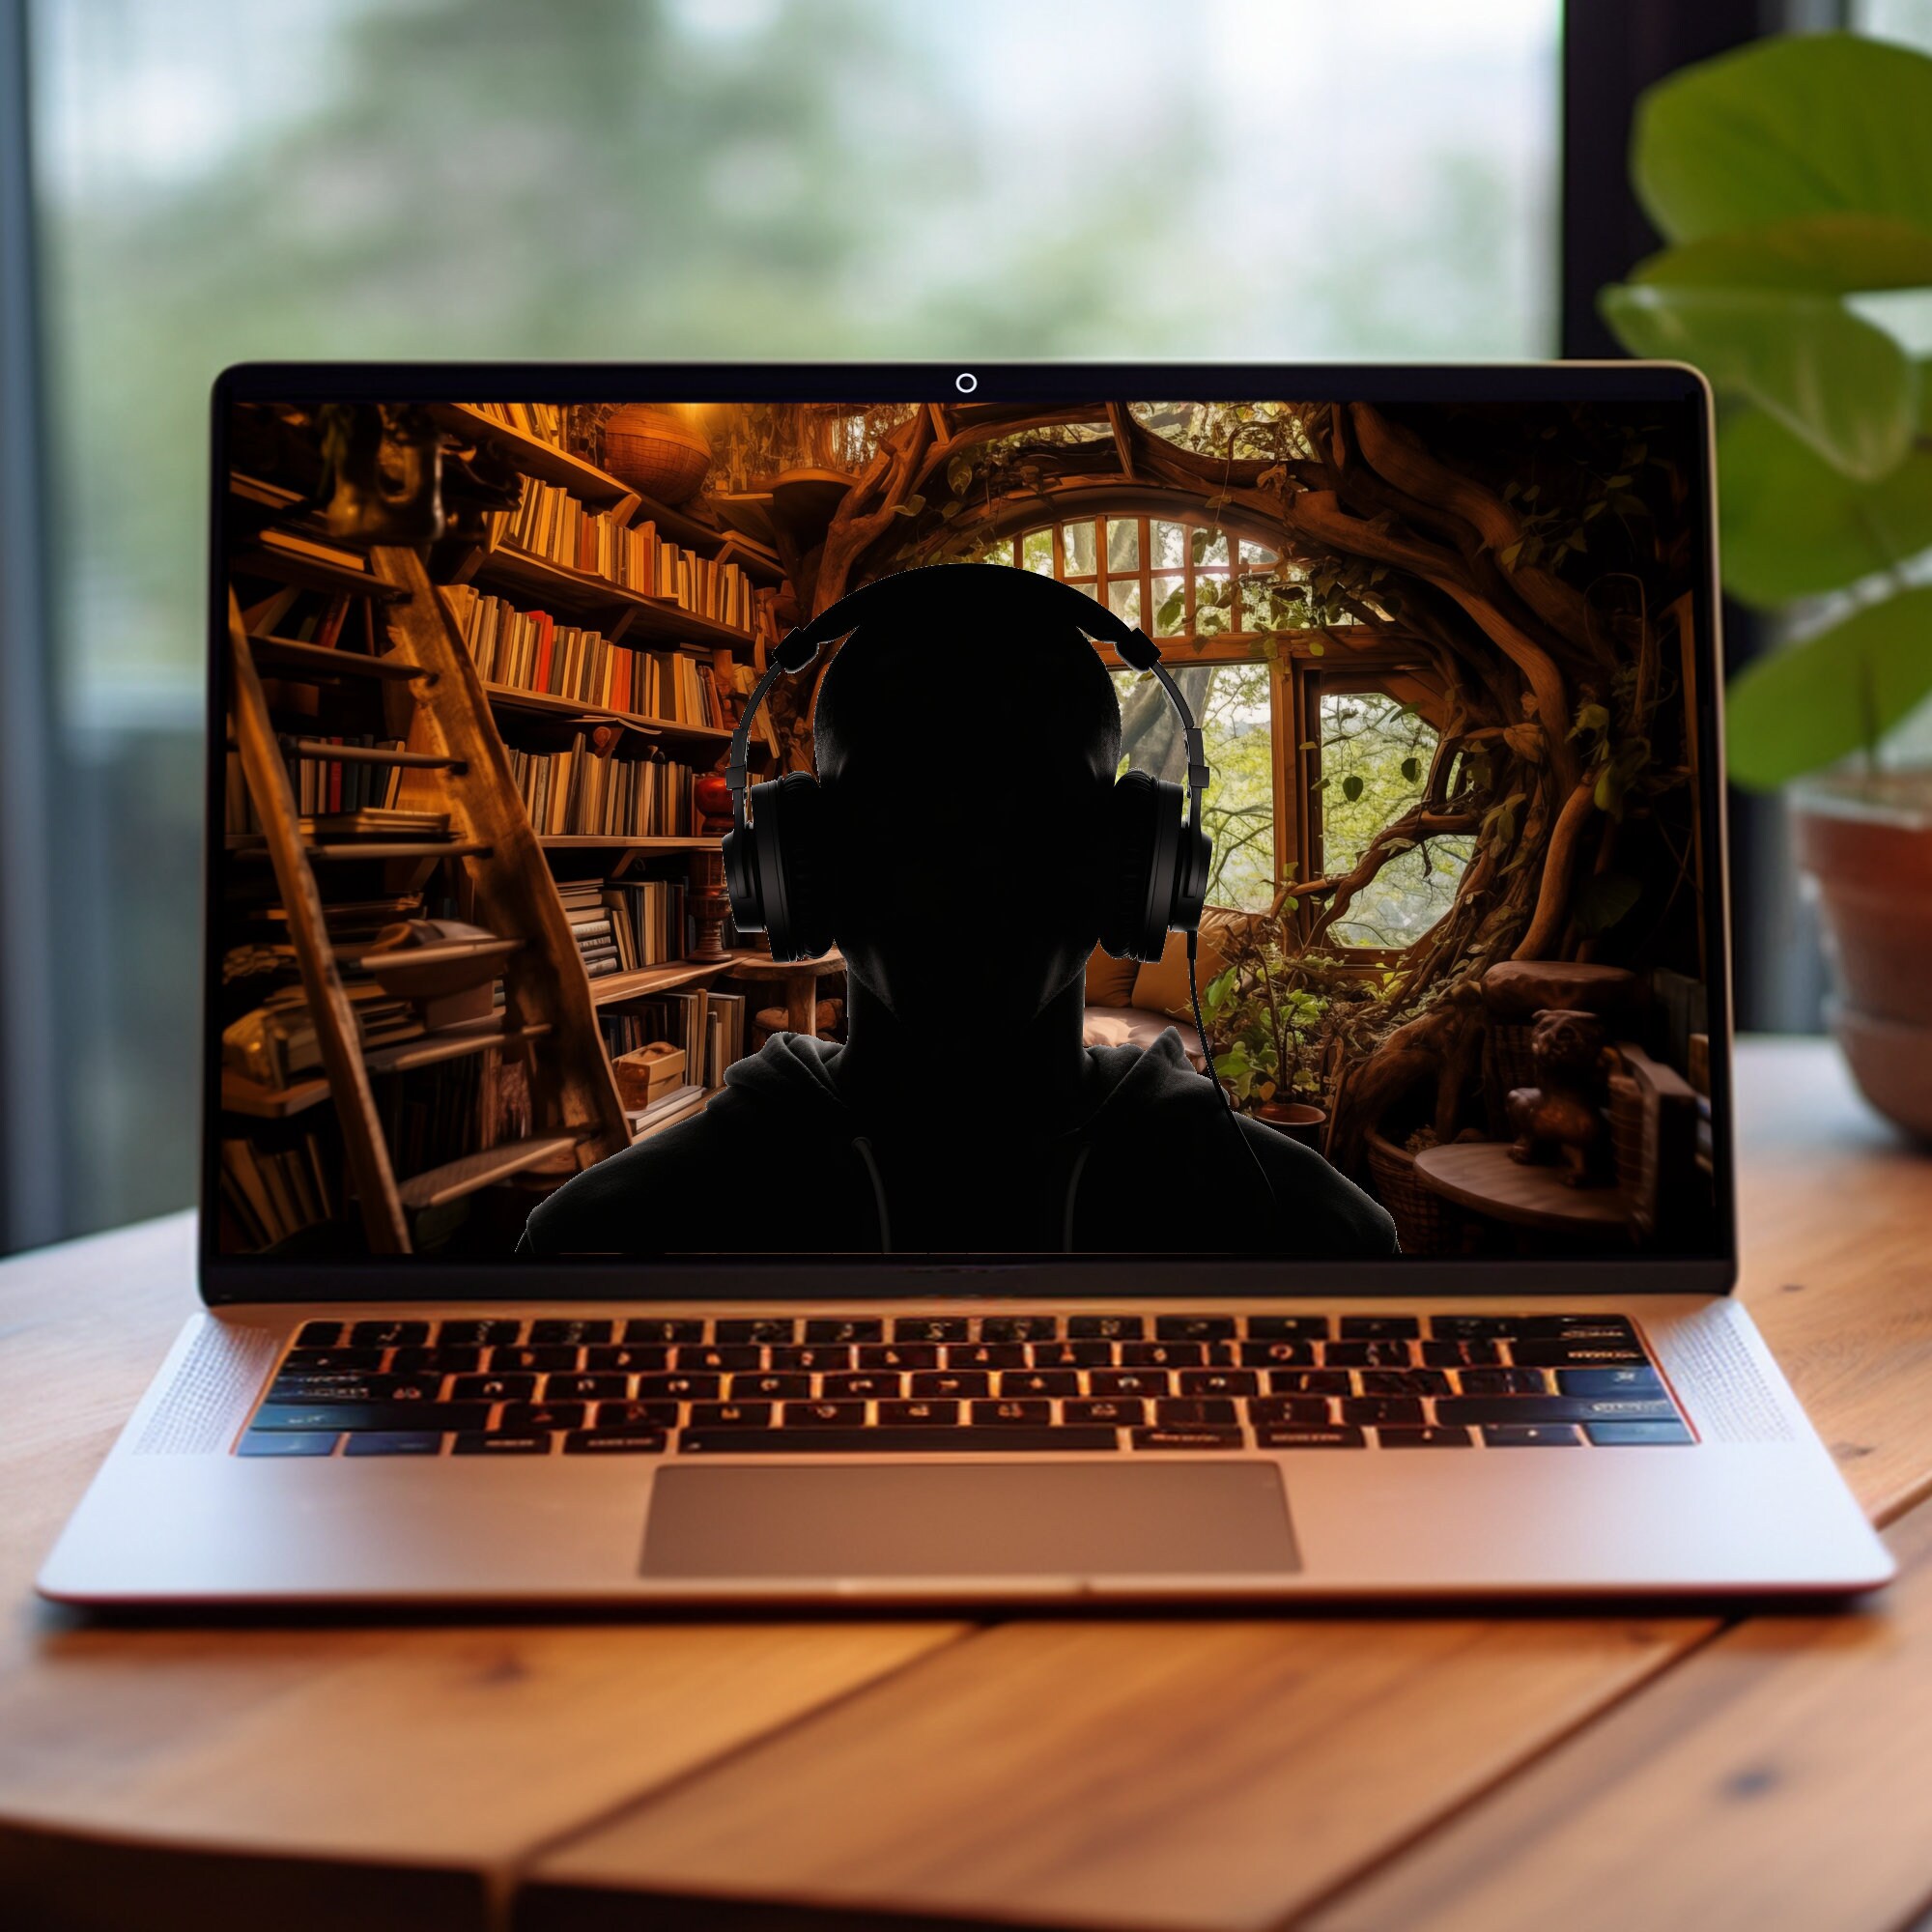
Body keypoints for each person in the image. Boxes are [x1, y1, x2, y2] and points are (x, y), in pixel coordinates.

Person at [518, 569, 1396, 1258]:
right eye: (909, 808)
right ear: (800, 865)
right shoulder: (601, 1249)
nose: (972, 866)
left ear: (1134, 862)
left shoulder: (618, 1232)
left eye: (1028, 811)